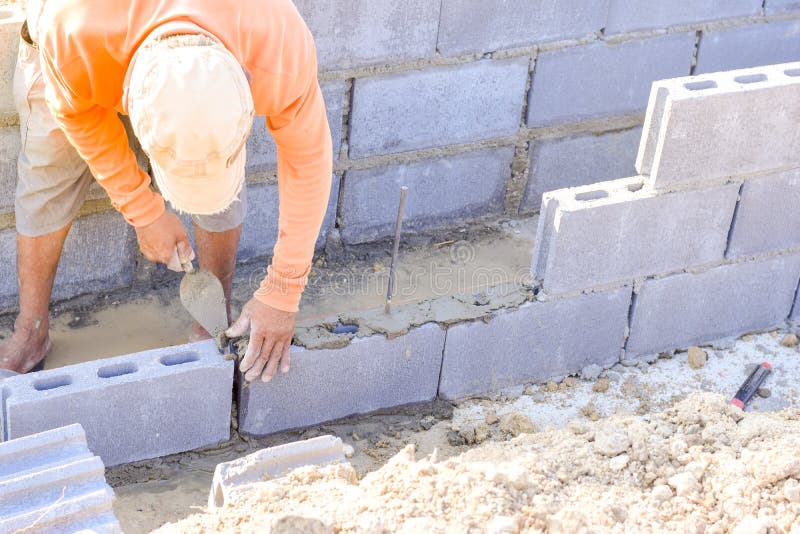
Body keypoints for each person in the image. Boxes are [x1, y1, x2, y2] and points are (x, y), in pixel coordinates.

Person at [0, 0, 333, 383]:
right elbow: (77, 115)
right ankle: (31, 331)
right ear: (128, 98)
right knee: (49, 173)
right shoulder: (72, 30)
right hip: (87, 52)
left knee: (214, 163)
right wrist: (142, 210)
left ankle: (212, 321)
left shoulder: (278, 44)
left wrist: (283, 292)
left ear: (246, 79)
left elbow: (308, 161)